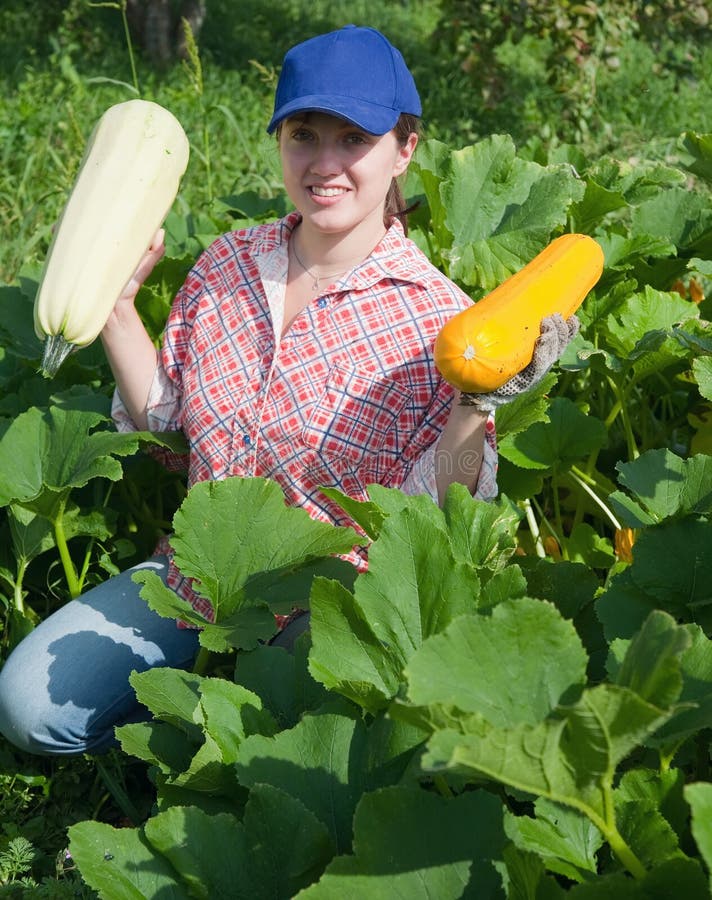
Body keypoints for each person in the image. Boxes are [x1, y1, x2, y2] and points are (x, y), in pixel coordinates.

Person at [0, 25, 576, 756]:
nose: (325, 164)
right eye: (305, 134)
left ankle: (211, 737)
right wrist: (115, 312)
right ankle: (187, 717)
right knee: (26, 707)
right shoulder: (226, 264)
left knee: (300, 745)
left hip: (324, 609)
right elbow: (169, 431)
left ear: (405, 148)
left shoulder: (439, 319)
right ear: (279, 142)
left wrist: (476, 402)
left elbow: (446, 512)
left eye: (354, 139)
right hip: (196, 580)